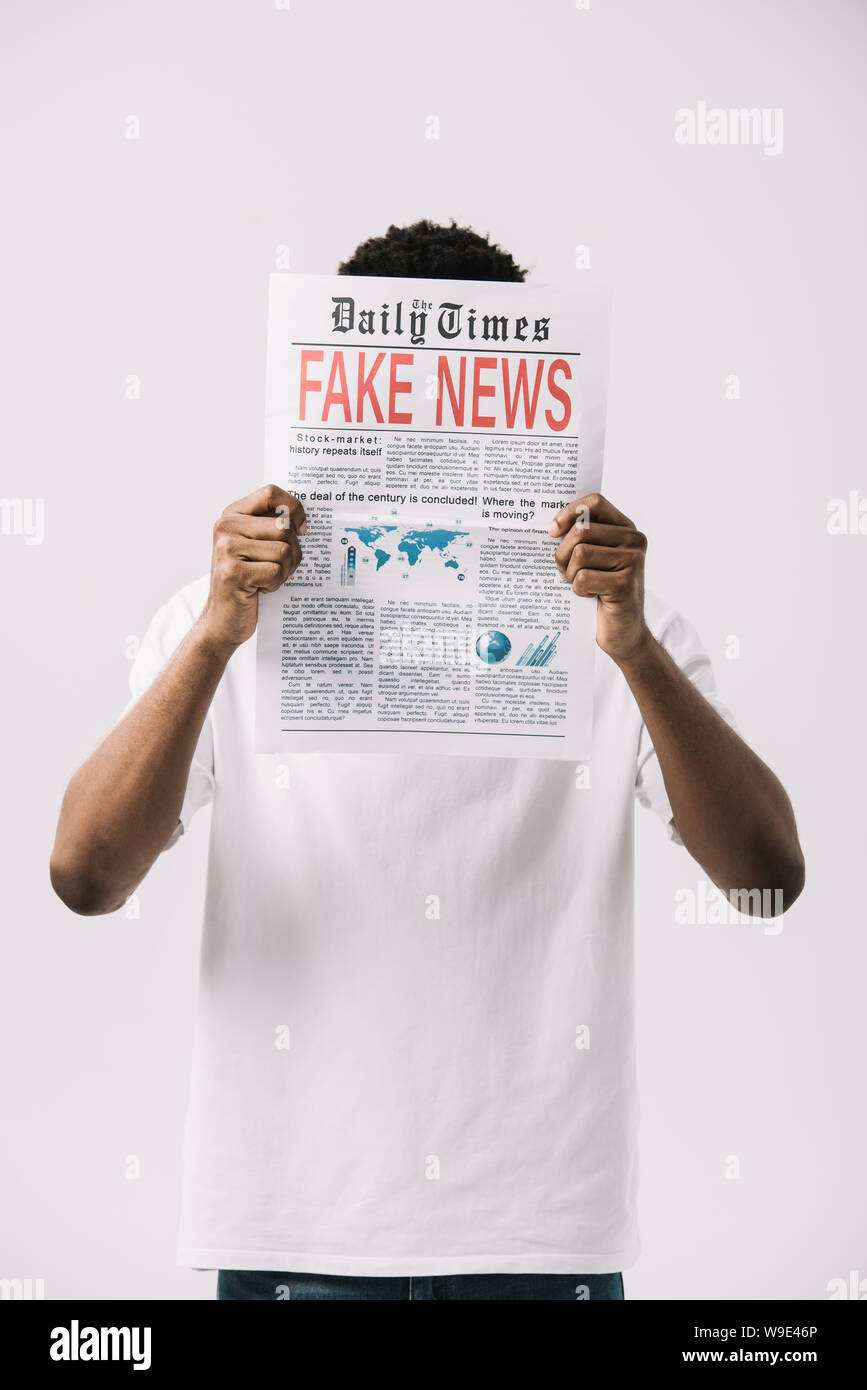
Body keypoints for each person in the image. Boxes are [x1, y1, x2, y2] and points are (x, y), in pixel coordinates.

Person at [50, 219, 805, 1302]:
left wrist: (633, 647)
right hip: (292, 1229)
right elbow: (85, 874)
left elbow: (769, 879)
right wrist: (214, 635)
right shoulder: (222, 622)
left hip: (541, 1238)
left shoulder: (619, 632)